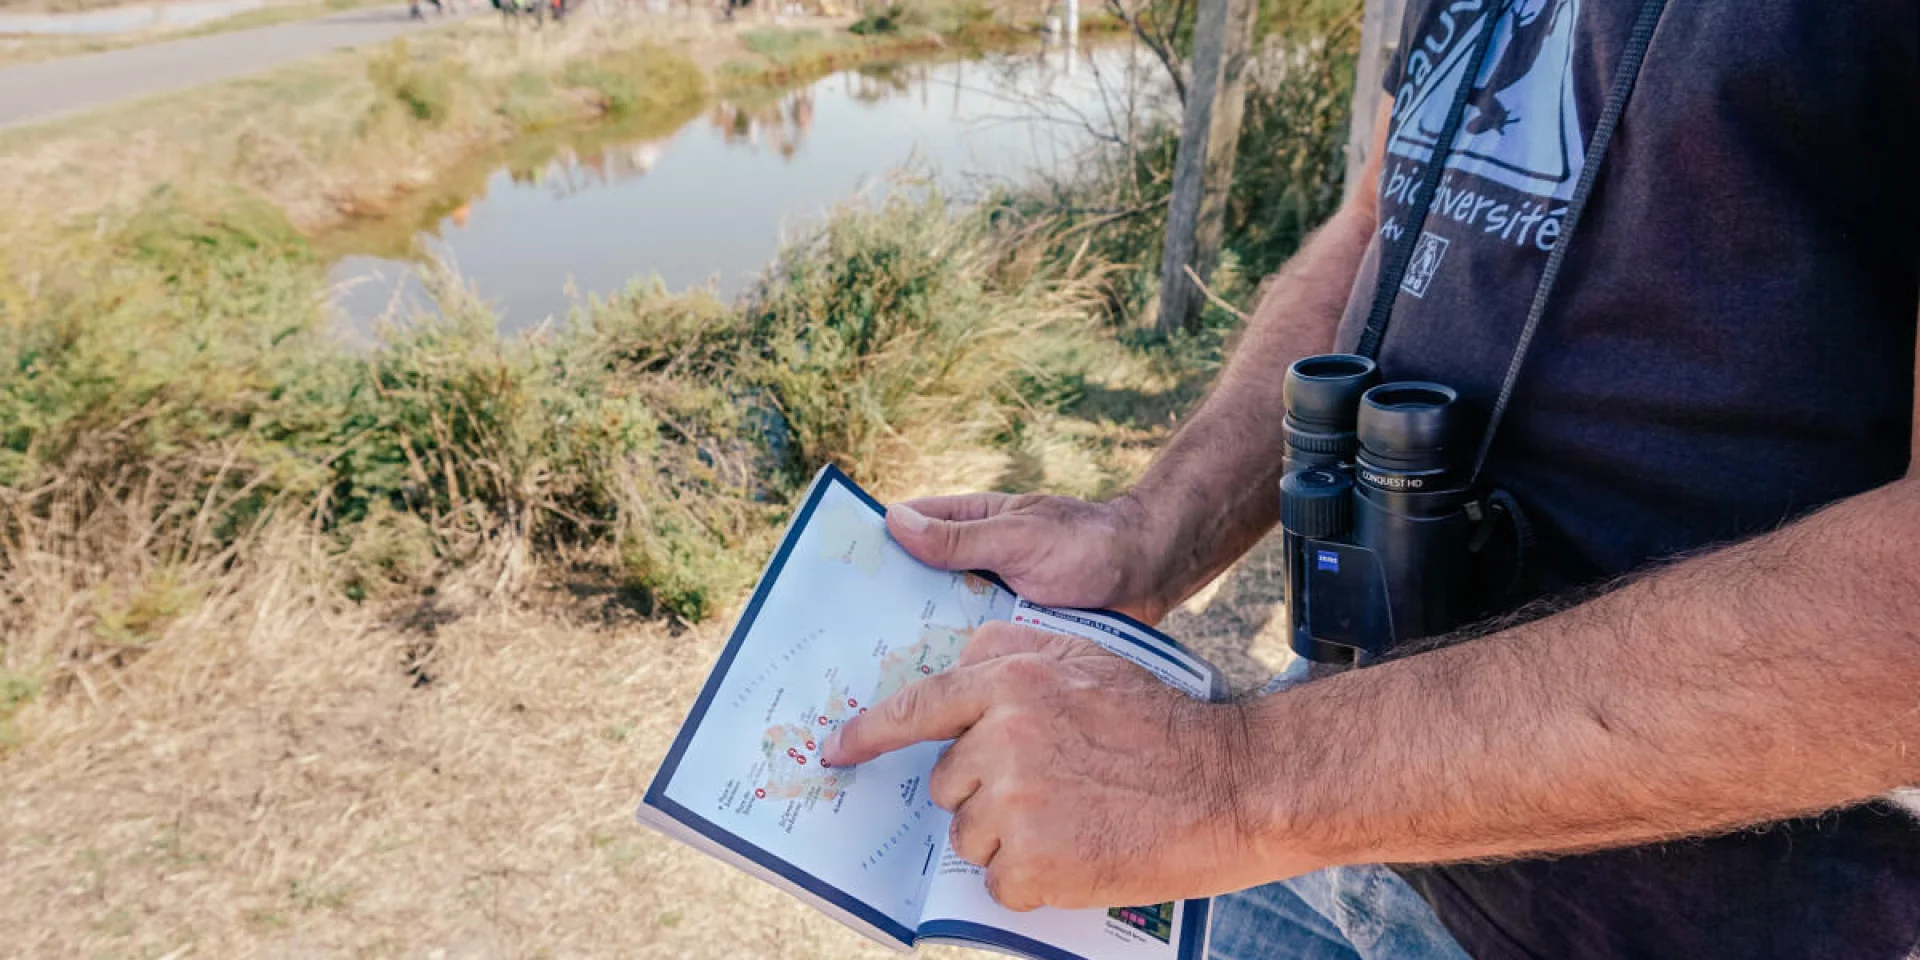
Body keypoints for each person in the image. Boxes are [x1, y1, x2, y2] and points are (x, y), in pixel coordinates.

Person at [819, 1, 1920, 957]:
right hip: (1327, 809)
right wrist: (1156, 527)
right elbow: (1371, 229)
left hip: (1679, 921)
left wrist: (1230, 782)